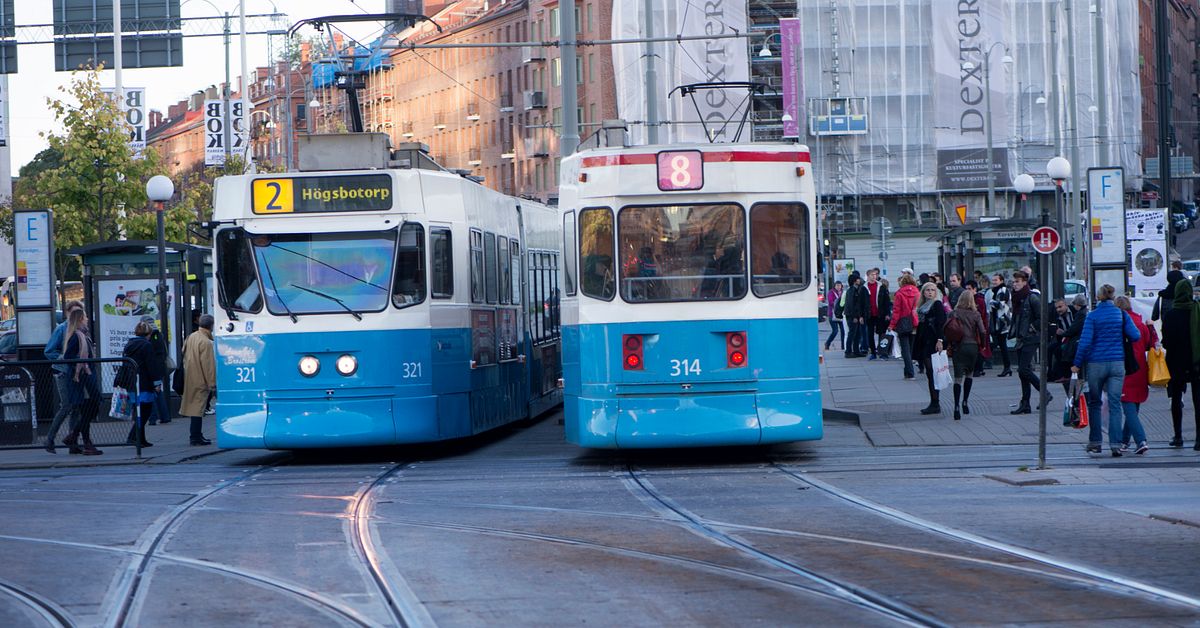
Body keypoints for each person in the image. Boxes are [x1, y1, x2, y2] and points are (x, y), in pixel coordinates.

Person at [1072, 284, 1139, 456]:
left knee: (1095, 403)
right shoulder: (1121, 314)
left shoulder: (1092, 316)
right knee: (1115, 404)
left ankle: (1095, 442)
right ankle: (1116, 444)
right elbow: (1135, 335)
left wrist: (1077, 363)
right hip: (1117, 363)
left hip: (1096, 364)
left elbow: (1085, 343)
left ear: (1098, 297)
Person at [1162, 279, 1200, 450]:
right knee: (1198, 400)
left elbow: (1166, 342)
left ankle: (1178, 436)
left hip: (1176, 362)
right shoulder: (1197, 311)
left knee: (1176, 399)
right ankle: (1199, 439)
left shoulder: (1171, 314)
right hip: (1196, 362)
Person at [43, 300, 85, 453]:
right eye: (73, 312)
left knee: (76, 407)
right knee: (67, 405)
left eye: (78, 313)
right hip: (62, 371)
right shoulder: (61, 330)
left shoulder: (81, 330)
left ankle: (72, 441)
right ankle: (50, 439)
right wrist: (62, 357)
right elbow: (48, 351)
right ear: (67, 313)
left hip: (75, 373)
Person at [1116, 295, 1156, 455]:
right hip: (1141, 370)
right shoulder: (1140, 323)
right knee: (1133, 406)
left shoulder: (1121, 324)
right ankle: (1124, 441)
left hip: (1127, 370)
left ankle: (1141, 440)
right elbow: (1149, 345)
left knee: (1128, 407)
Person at [61, 308, 102, 455]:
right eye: (84, 317)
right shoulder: (76, 336)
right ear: (79, 320)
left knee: (89, 410)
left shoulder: (83, 335)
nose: (87, 320)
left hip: (85, 377)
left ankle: (77, 437)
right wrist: (80, 365)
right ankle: (84, 442)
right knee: (90, 408)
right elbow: (67, 357)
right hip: (82, 379)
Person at [1008, 270, 1049, 414]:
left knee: (1023, 369)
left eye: (1018, 282)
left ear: (1025, 282)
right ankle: (1025, 403)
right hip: (1021, 338)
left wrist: (1032, 328)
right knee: (1022, 372)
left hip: (1031, 338)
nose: (1015, 284)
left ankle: (1045, 393)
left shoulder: (1032, 297)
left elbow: (1043, 316)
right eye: (1014, 282)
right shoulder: (1017, 298)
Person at [122, 322, 162, 448]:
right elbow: (152, 365)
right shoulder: (147, 345)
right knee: (145, 411)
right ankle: (133, 436)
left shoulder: (129, 344)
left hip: (132, 382)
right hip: (144, 382)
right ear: (148, 334)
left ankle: (141, 439)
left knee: (138, 411)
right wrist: (157, 383)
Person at [947, 291, 984, 420]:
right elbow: (982, 331)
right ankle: (965, 402)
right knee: (969, 374)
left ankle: (956, 406)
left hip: (959, 347)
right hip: (972, 346)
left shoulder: (954, 313)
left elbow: (948, 329)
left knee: (958, 378)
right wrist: (982, 345)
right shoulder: (976, 314)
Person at [180, 315, 216, 446]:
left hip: (190, 376)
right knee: (198, 409)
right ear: (211, 326)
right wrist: (212, 383)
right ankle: (195, 436)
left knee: (195, 408)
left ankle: (197, 435)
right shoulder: (206, 343)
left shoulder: (191, 337)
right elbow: (209, 366)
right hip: (201, 378)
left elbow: (183, 352)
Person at [915, 282, 946, 415]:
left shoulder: (937, 304)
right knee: (929, 373)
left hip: (933, 342)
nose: (930, 292)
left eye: (932, 290)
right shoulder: (922, 306)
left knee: (933, 373)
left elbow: (941, 323)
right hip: (924, 341)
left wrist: (940, 340)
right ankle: (933, 402)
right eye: (927, 290)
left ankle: (935, 403)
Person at [140, 315, 172, 426]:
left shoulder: (150, 337)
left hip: (153, 369)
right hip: (160, 368)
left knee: (152, 392)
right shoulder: (159, 334)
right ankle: (165, 416)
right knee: (158, 392)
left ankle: (152, 418)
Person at [889, 274, 920, 380]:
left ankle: (909, 372)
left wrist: (892, 325)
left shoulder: (899, 293)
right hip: (914, 323)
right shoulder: (917, 292)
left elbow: (896, 311)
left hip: (903, 323)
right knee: (910, 348)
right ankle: (907, 371)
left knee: (905, 349)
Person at [989, 273, 1012, 377]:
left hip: (1002, 321)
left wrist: (991, 302)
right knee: (1002, 345)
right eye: (993, 280)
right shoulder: (997, 290)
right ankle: (1007, 367)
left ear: (1001, 281)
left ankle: (1007, 367)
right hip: (999, 320)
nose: (994, 282)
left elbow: (1001, 304)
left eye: (996, 280)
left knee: (1002, 345)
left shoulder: (1002, 290)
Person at [965, 280, 990, 377]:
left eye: (969, 289)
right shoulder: (969, 299)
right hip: (972, 328)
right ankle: (977, 368)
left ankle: (978, 369)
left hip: (979, 328)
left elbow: (980, 315)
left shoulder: (978, 300)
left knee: (979, 349)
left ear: (974, 289)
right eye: (966, 289)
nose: (967, 291)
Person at [865, 268, 891, 360]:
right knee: (870, 334)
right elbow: (860, 302)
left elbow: (886, 301)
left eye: (875, 274)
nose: (874, 276)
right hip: (869, 314)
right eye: (872, 275)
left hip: (880, 313)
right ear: (867, 276)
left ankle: (882, 352)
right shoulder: (864, 287)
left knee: (881, 333)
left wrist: (887, 313)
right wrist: (860, 315)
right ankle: (873, 352)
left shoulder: (881, 286)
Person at [843, 271, 869, 358]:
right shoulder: (852, 290)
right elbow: (851, 304)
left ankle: (856, 350)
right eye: (858, 279)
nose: (859, 280)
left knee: (857, 333)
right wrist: (854, 316)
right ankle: (848, 351)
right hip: (851, 315)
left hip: (855, 315)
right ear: (854, 281)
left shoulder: (856, 289)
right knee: (852, 333)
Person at [825, 281, 844, 351]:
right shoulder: (831, 292)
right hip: (832, 314)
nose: (839, 287)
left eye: (840, 285)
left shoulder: (842, 292)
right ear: (834, 286)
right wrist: (838, 304)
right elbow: (830, 302)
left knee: (843, 330)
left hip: (840, 315)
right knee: (835, 331)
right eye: (837, 285)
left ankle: (843, 346)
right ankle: (827, 343)